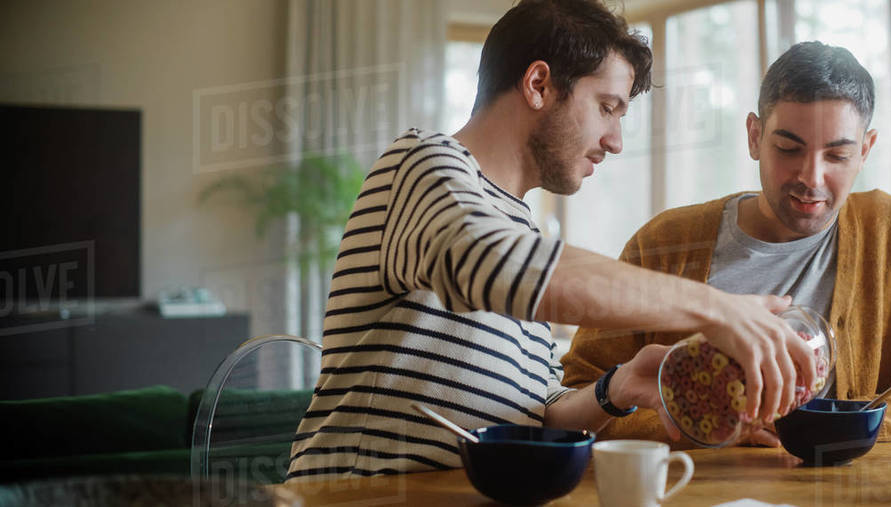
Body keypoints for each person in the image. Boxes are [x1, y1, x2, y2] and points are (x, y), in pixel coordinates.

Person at [287, 0, 819, 480]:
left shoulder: (520, 231)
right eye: (608, 107)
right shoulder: (424, 164)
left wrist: (619, 386)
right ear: (538, 85)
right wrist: (716, 310)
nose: (615, 141)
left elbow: (538, 411)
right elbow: (495, 265)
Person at [562, 41, 891, 447]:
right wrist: (701, 426)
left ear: (865, 151)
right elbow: (579, 398)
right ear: (754, 136)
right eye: (788, 149)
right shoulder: (665, 244)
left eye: (838, 155)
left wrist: (846, 420)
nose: (811, 178)